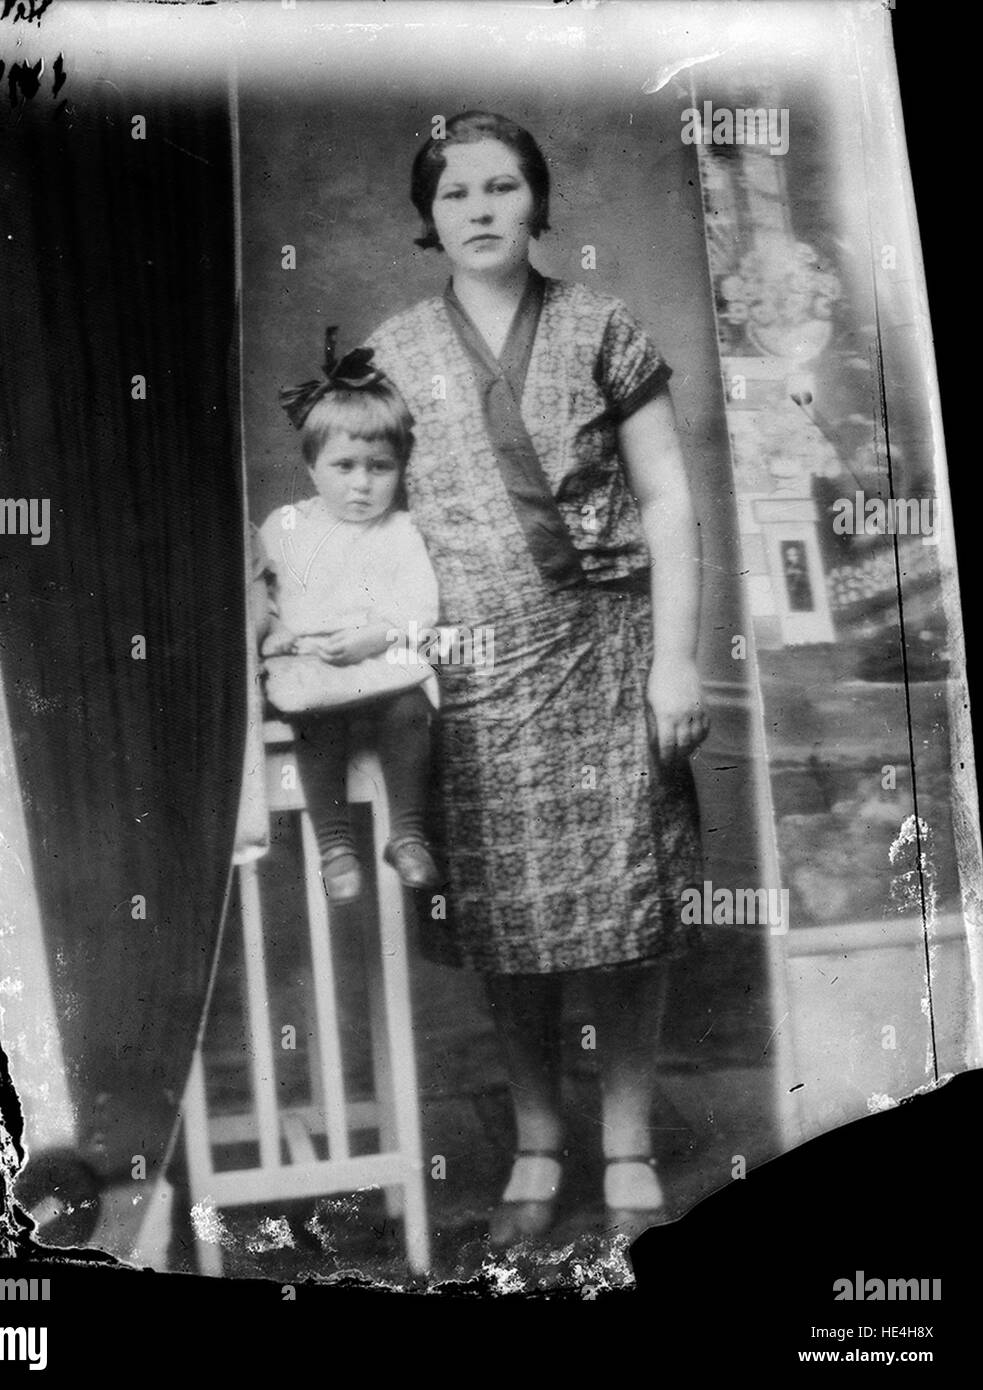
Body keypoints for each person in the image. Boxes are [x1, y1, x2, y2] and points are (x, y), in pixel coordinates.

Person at [364, 111, 710, 1243]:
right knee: (505, 921)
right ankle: (533, 1138)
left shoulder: (603, 323)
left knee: (623, 907)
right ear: (428, 216)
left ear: (538, 203)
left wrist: (673, 661)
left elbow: (667, 500)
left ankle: (623, 1139)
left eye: (503, 188)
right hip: (474, 674)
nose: (480, 210)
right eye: (456, 192)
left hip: (608, 657)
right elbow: (355, 510)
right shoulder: (393, 353)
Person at [257, 345, 443, 904]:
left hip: (381, 657)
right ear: (312, 466)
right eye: (344, 467)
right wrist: (279, 634)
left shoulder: (403, 530)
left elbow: (421, 607)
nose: (362, 485)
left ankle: (408, 832)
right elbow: (265, 599)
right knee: (317, 720)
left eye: (379, 467)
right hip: (317, 663)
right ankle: (335, 844)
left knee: (411, 709)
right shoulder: (286, 526)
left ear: (400, 469)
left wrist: (380, 633)